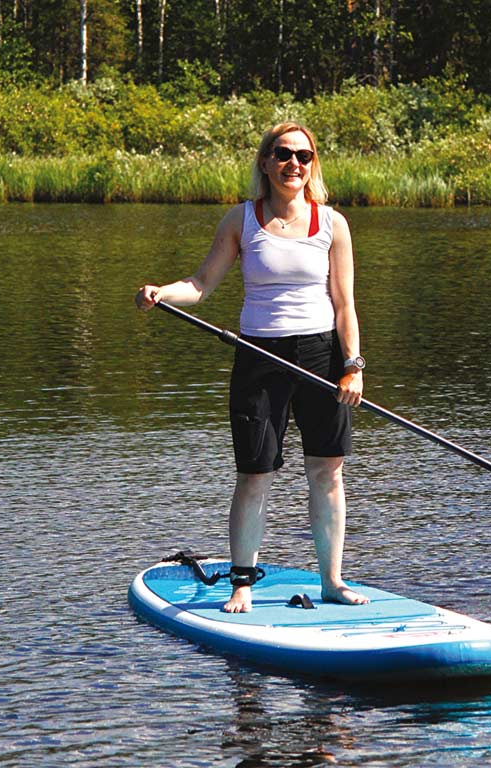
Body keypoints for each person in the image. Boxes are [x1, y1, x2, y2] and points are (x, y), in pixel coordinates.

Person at [135, 122, 369, 612]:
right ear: (265, 162)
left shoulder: (333, 224)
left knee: (328, 471)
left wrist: (353, 365)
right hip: (259, 357)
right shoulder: (241, 219)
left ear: (313, 164)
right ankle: (242, 583)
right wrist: (162, 293)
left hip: (321, 356)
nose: (293, 164)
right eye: (283, 154)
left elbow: (344, 304)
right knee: (254, 472)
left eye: (304, 156)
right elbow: (200, 284)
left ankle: (332, 581)